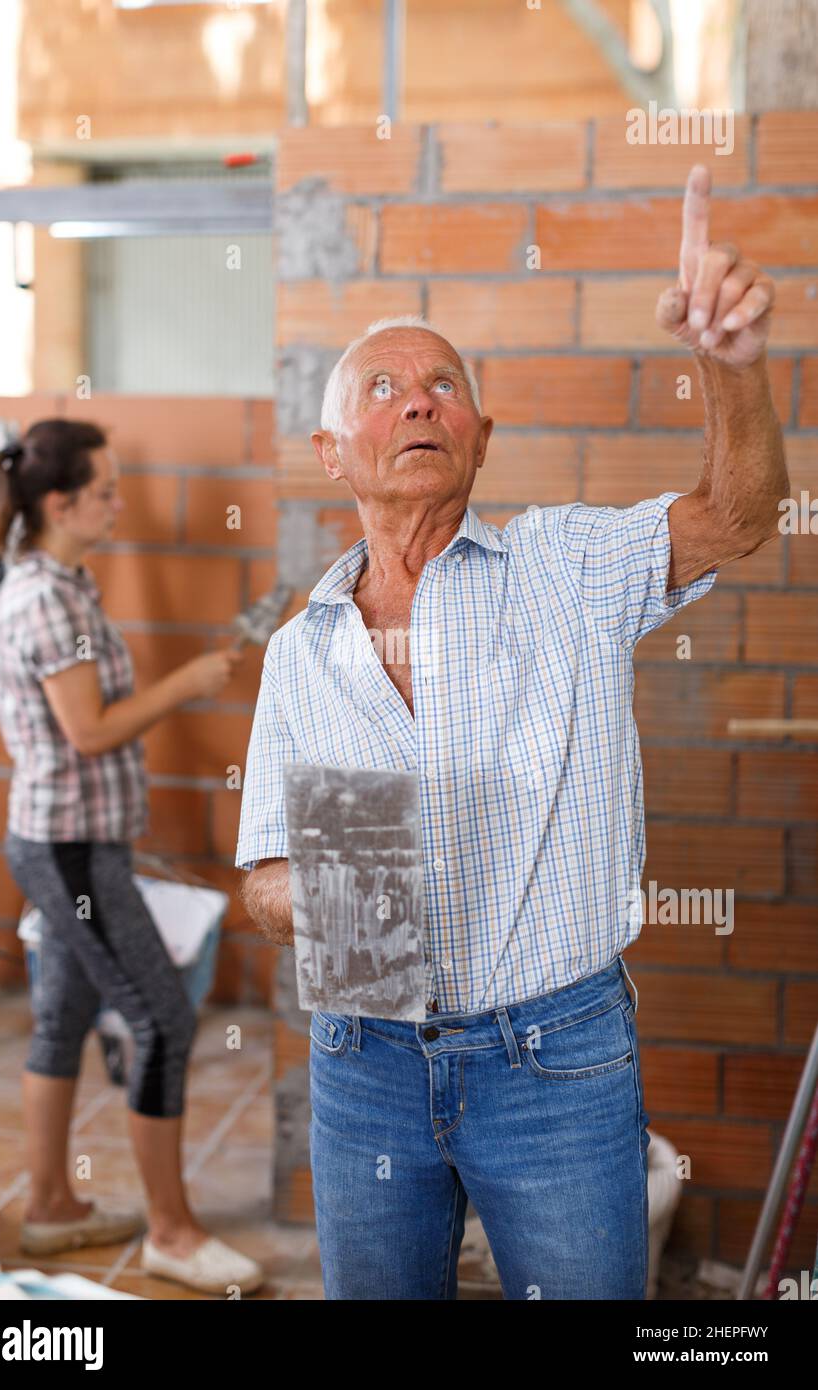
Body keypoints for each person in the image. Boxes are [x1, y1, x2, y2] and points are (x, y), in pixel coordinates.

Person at [236, 166, 788, 1299]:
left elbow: (738, 514)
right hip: (363, 1056)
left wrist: (726, 368)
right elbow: (262, 877)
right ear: (331, 450)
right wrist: (345, 887)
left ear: (480, 436)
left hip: (554, 1061)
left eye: (443, 385)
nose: (419, 400)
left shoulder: (565, 568)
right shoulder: (302, 651)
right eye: (381, 387)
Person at [0, 418, 262, 1296]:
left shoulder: (64, 581)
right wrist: (184, 684)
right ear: (61, 503)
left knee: (63, 1022)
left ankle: (51, 1207)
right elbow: (89, 730)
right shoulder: (47, 600)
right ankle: (172, 1236)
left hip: (67, 842)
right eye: (104, 490)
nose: (118, 501)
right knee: (165, 1020)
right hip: (70, 853)